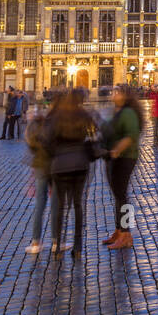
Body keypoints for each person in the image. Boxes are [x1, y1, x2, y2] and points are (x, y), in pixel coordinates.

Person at [46, 89, 95, 259]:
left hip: (60, 165)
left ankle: (58, 246)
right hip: (80, 164)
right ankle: (78, 247)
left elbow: (48, 141)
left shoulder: (57, 116)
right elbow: (94, 135)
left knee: (60, 207)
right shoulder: (84, 114)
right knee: (78, 205)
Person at [103, 85, 144, 251]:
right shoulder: (118, 111)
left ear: (126, 96)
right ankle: (119, 230)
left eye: (117, 92)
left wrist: (117, 150)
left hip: (125, 157)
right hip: (117, 157)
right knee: (118, 195)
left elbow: (132, 135)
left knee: (122, 196)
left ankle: (126, 234)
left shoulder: (128, 113)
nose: (114, 94)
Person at [23, 100, 54, 255]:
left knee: (40, 203)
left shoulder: (32, 129)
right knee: (55, 202)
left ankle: (36, 242)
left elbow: (29, 142)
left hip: (40, 165)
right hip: (54, 165)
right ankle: (56, 240)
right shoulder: (51, 126)